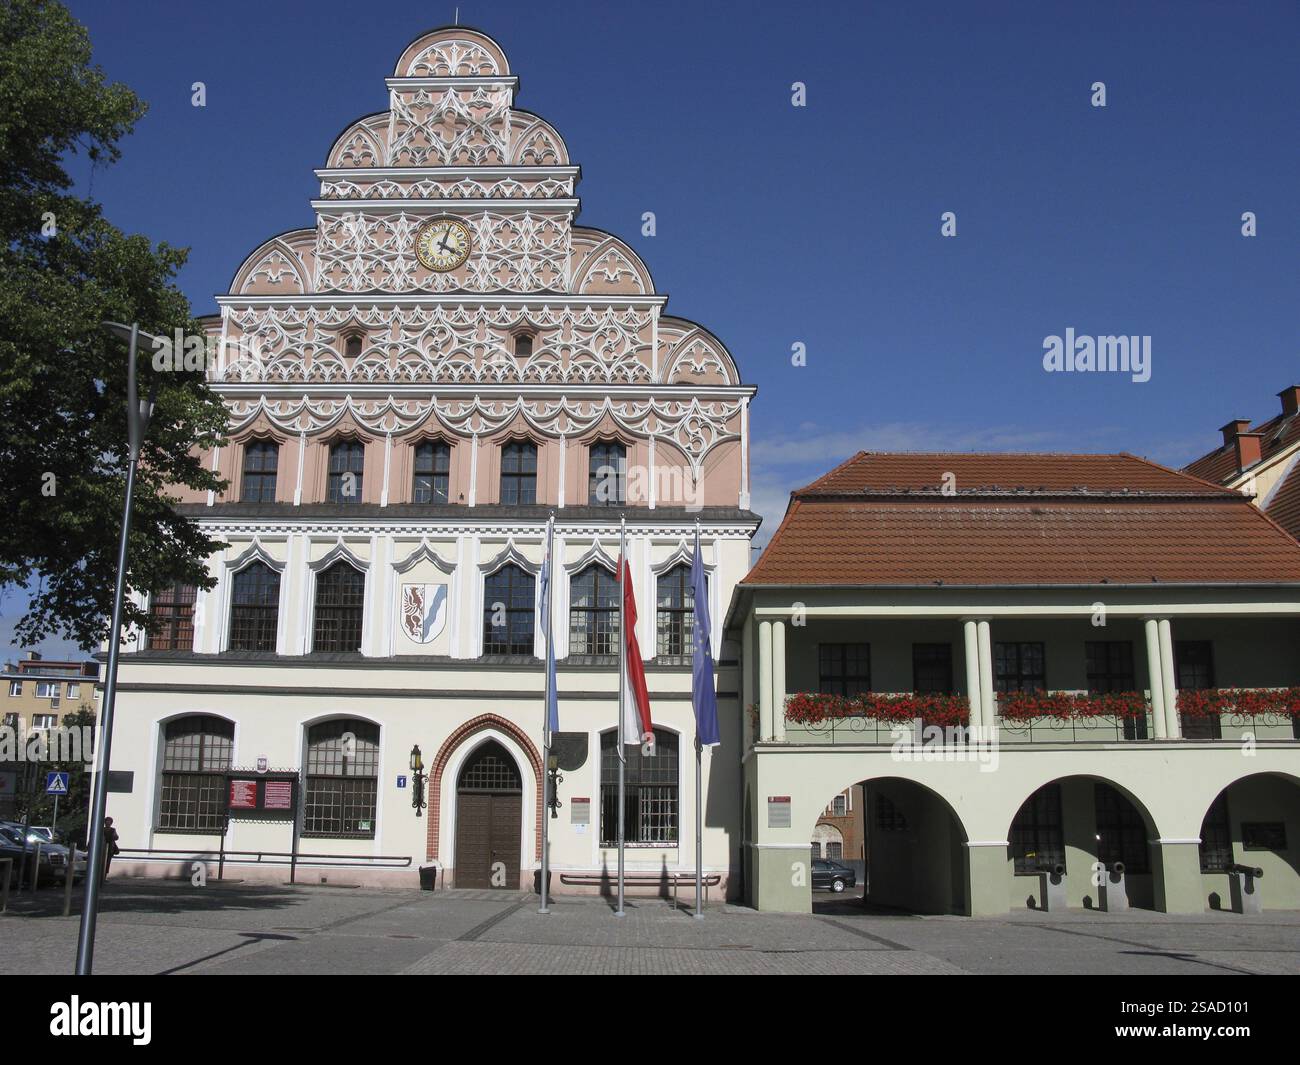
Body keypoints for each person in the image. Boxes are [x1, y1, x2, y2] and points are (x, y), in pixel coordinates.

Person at [100, 816, 120, 884]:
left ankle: (104, 877)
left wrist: (114, 836)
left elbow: (116, 837)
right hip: (102, 848)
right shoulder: (101, 829)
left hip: (109, 849)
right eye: (106, 822)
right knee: (101, 863)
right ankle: (100, 876)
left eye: (109, 822)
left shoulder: (113, 830)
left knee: (107, 863)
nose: (108, 823)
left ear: (111, 823)